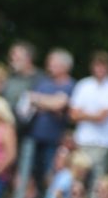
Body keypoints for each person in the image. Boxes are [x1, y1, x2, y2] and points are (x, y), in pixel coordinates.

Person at [22, 48, 75, 188]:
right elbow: (31, 101)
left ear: (65, 66)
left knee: (49, 176)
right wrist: (50, 102)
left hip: (54, 140)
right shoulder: (44, 83)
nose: (49, 66)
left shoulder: (70, 85)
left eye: (53, 63)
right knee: (30, 175)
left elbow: (59, 104)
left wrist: (41, 101)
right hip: (34, 136)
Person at [69, 50, 108, 180]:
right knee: (77, 179)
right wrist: (94, 115)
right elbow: (73, 115)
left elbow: (102, 118)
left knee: (97, 181)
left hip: (102, 143)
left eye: (103, 66)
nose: (100, 69)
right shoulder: (83, 85)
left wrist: (83, 114)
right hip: (82, 140)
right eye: (97, 65)